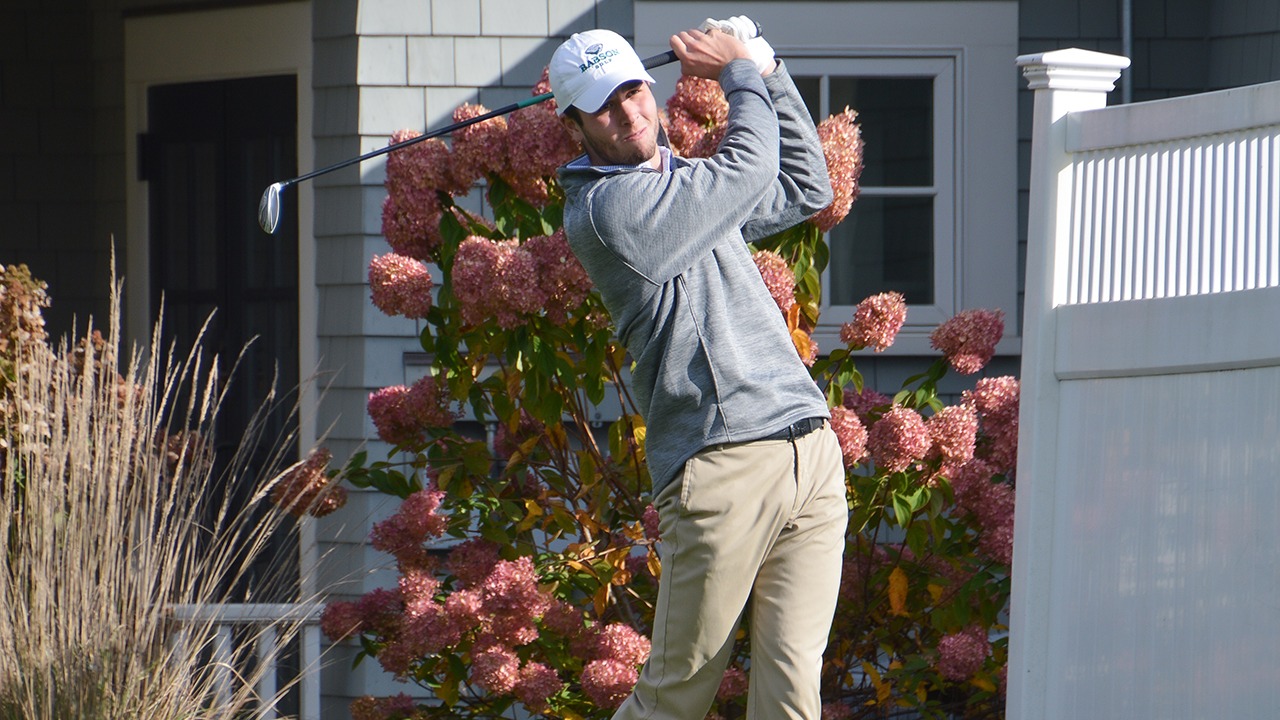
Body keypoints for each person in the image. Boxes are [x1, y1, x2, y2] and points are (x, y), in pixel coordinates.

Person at [549, 20, 847, 720]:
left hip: (810, 450)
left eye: (632, 91)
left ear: (650, 89)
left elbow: (805, 187)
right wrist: (738, 71)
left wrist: (769, 72)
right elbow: (747, 170)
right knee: (676, 697)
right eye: (602, 105)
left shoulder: (682, 183)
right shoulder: (607, 212)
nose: (626, 113)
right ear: (573, 126)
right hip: (722, 464)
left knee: (791, 693)